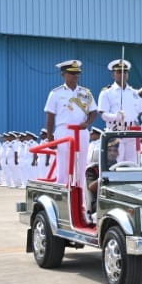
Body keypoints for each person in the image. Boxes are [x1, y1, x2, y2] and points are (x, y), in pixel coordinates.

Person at [43, 60, 98, 188]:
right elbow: (50, 116)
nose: (75, 76)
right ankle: (63, 196)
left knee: (82, 165)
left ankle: (82, 198)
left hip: (81, 131)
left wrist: (87, 122)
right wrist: (49, 136)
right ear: (63, 74)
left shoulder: (85, 93)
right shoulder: (56, 93)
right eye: (72, 73)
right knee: (63, 165)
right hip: (64, 131)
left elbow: (93, 111)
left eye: (77, 73)